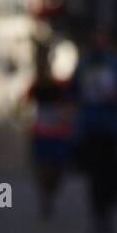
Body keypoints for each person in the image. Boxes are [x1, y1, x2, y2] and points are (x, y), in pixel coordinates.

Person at [73, 30, 117, 233]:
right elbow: (74, 92)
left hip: (112, 126)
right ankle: (99, 213)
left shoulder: (116, 64)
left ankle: (107, 206)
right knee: (96, 172)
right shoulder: (84, 65)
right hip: (92, 125)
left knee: (112, 170)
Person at [27, 62, 76, 219]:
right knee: (43, 167)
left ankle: (50, 191)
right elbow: (26, 102)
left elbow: (71, 103)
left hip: (58, 134)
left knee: (57, 168)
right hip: (42, 134)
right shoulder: (36, 87)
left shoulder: (63, 87)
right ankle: (45, 197)